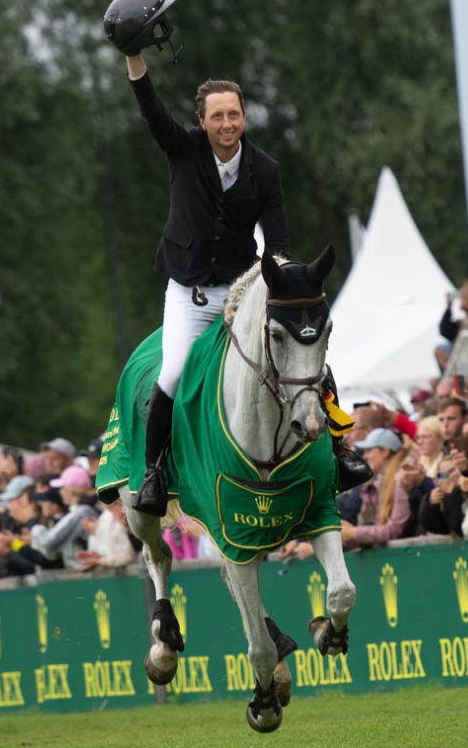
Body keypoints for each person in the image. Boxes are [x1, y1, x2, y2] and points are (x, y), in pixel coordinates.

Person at [117, 37, 365, 514]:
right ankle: (153, 474)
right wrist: (134, 59)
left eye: (234, 115)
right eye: (217, 116)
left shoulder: (265, 169)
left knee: (306, 353)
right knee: (171, 373)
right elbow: (151, 112)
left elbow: (276, 243)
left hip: (239, 290)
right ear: (202, 121)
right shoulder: (183, 150)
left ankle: (339, 451)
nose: (227, 124)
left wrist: (286, 280)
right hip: (188, 293)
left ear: (243, 117)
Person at [341, 429, 411, 549]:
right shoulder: (372, 485)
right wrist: (346, 535)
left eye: (369, 450)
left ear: (385, 452)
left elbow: (395, 530)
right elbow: (371, 527)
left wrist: (354, 533)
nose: (365, 456)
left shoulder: (402, 480)